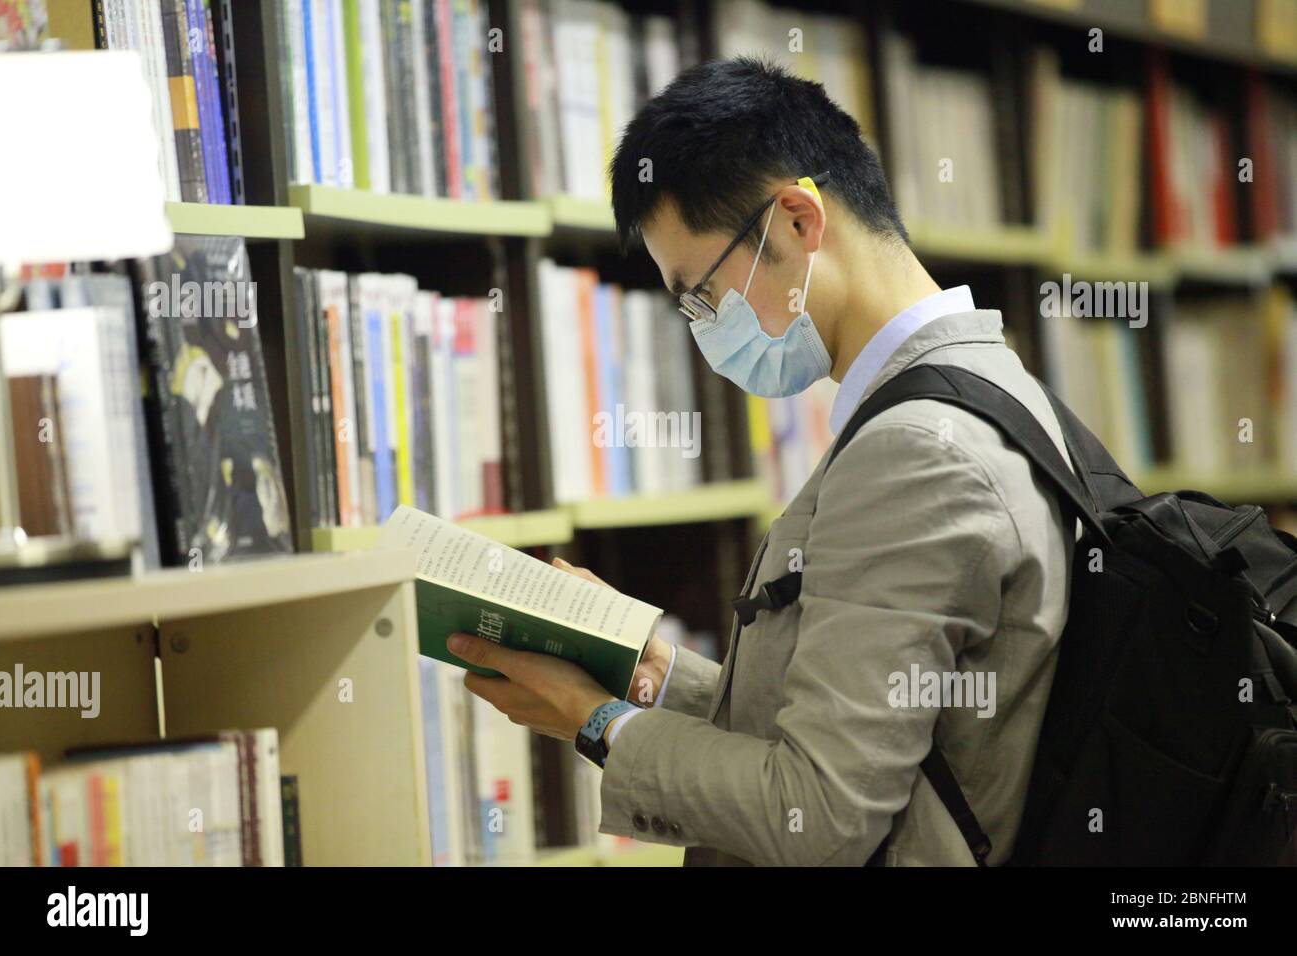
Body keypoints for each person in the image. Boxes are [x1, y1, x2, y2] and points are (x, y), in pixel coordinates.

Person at [446, 56, 1075, 866]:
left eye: (700, 292)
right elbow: (881, 741)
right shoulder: (990, 385)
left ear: (796, 222)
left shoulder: (916, 453)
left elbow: (817, 812)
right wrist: (656, 674)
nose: (704, 328)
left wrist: (592, 722)